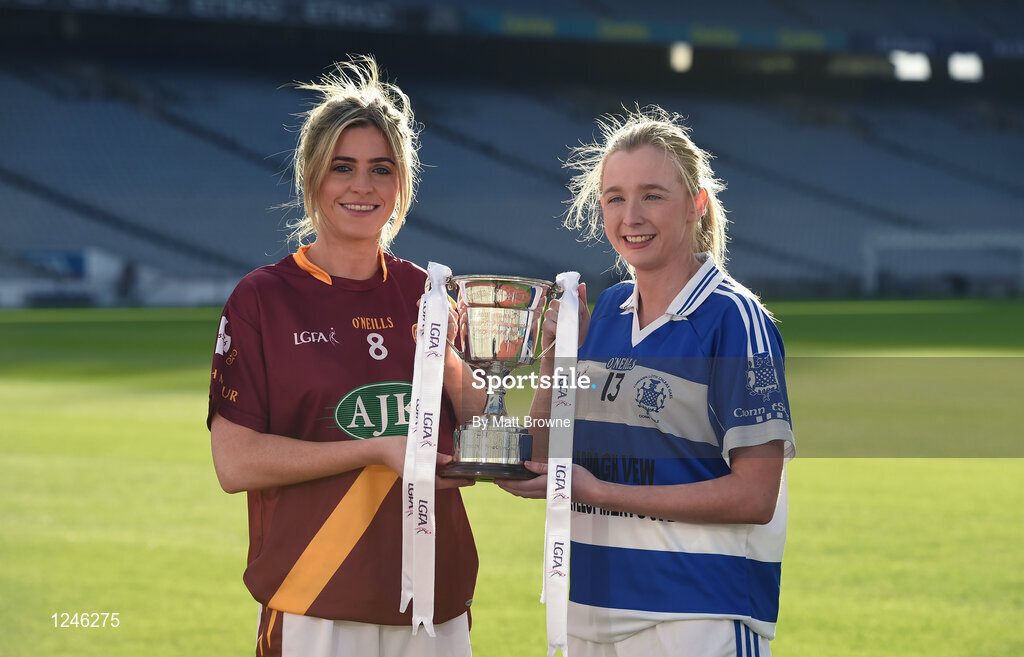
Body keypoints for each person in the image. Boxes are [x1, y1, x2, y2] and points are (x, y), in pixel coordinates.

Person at [207, 55, 483, 657]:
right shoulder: (263, 298)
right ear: (312, 178)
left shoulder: (433, 293)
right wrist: (377, 450)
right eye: (343, 168)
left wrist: (453, 364)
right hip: (317, 601)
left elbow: (493, 431)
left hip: (435, 604)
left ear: (402, 184)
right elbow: (235, 463)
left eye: (381, 169)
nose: (363, 186)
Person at [499, 106, 795, 657]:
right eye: (615, 198)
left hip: (693, 614)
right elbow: (542, 459)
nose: (630, 215)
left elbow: (755, 494)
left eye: (652, 195)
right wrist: (553, 364)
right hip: (585, 609)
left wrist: (599, 492)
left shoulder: (733, 318)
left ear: (696, 206)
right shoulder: (604, 312)